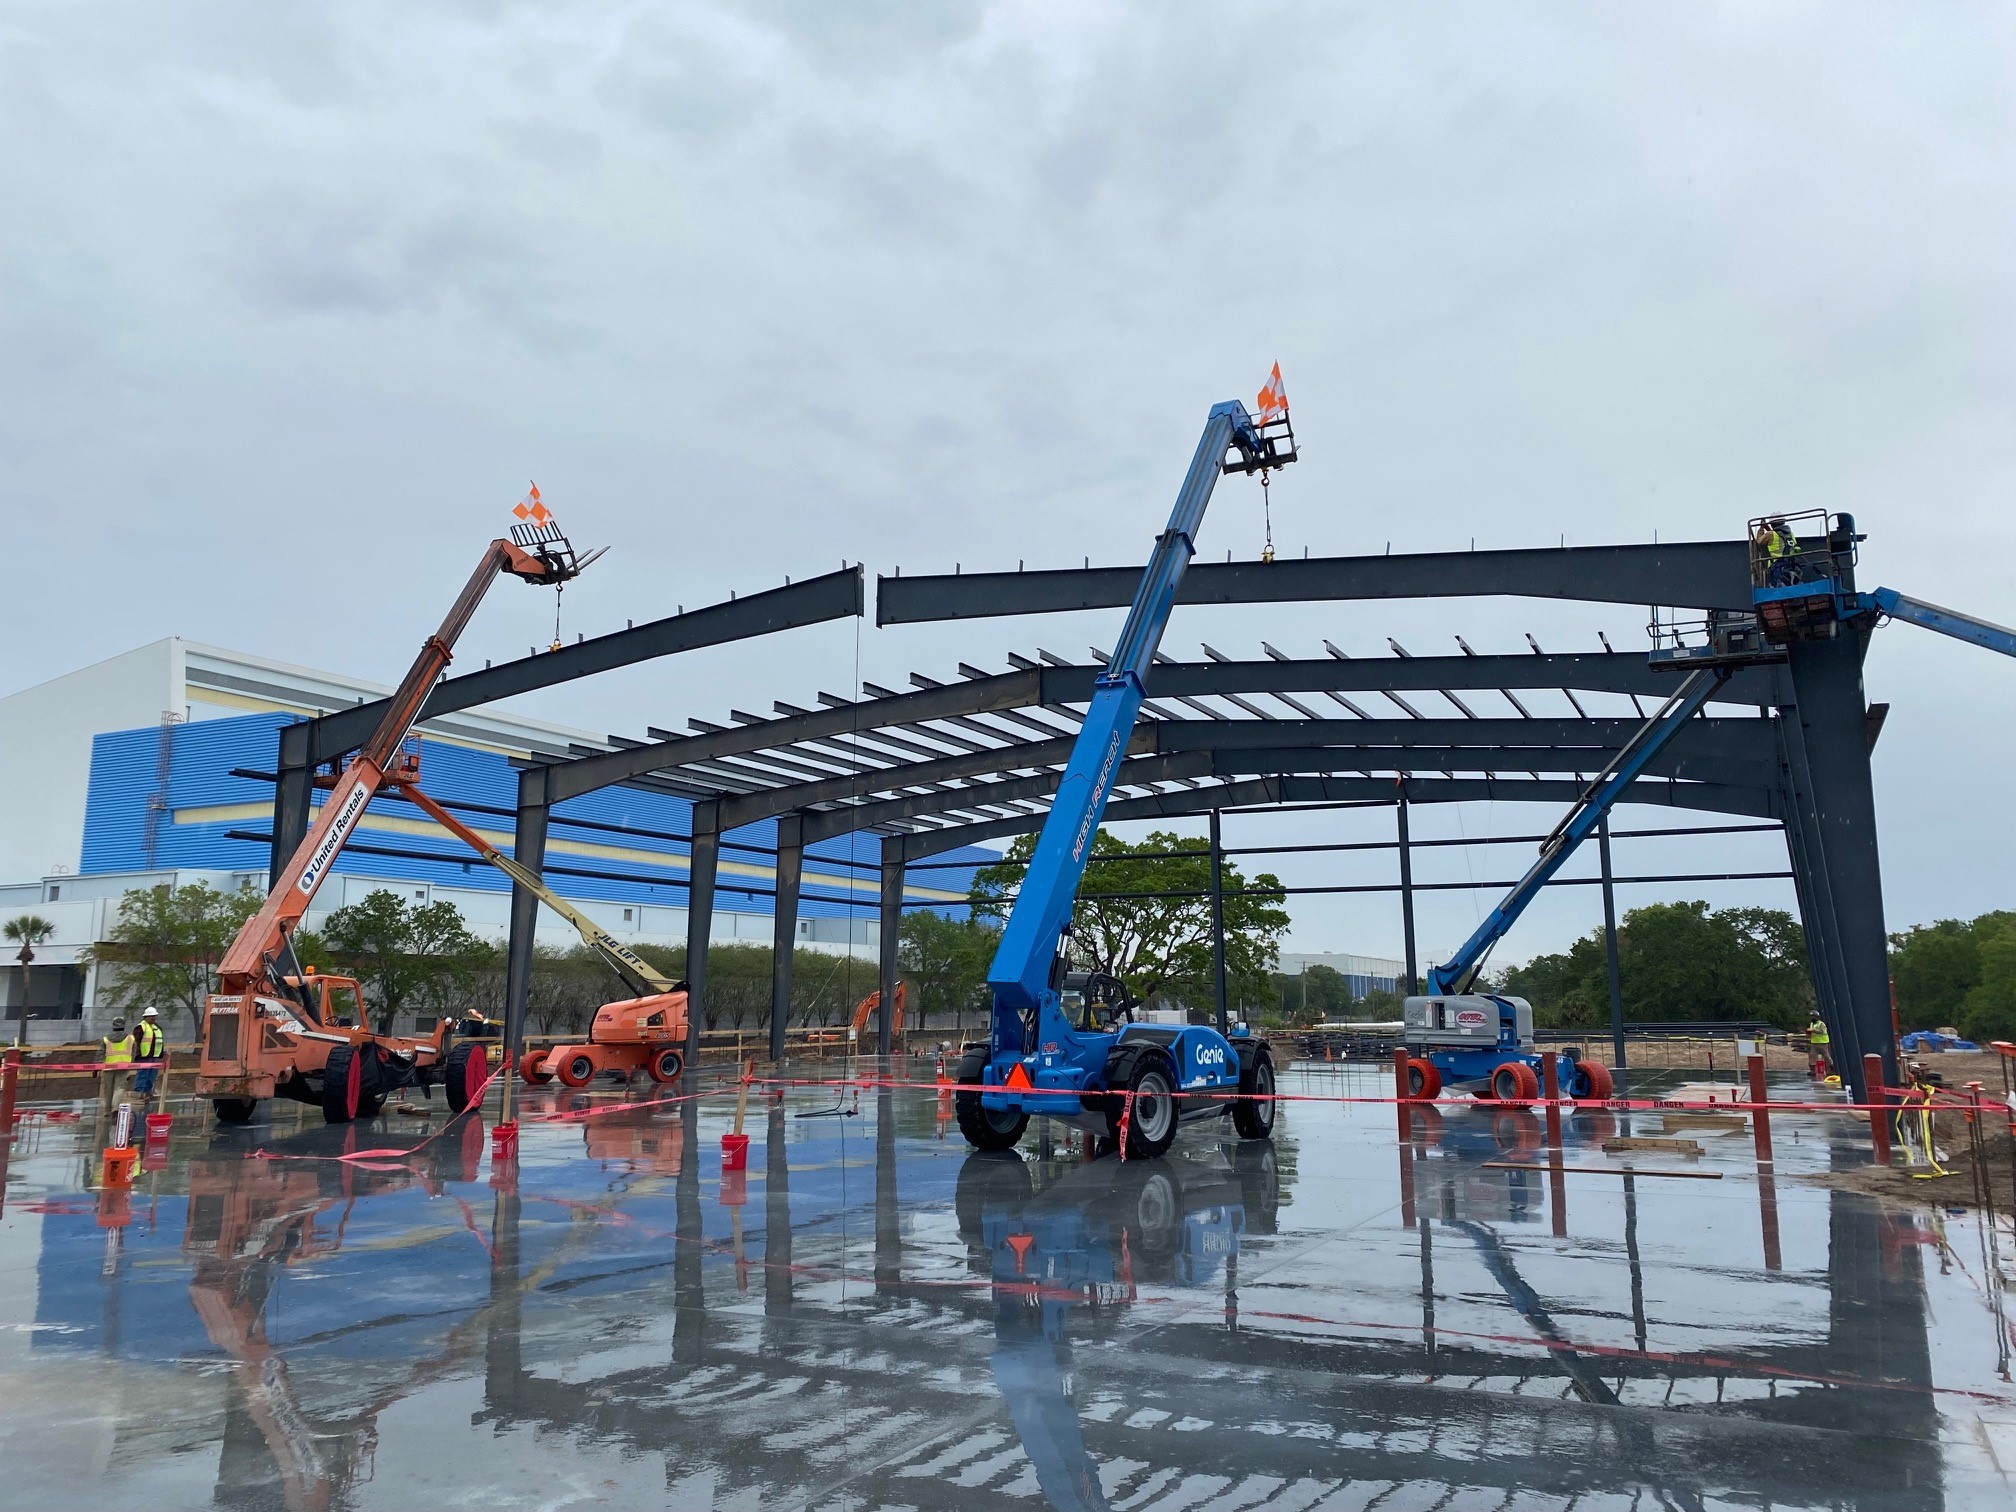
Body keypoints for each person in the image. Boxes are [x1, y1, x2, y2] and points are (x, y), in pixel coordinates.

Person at [98, 1016, 136, 1121]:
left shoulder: (106, 1038)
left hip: (108, 1066)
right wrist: (131, 1064)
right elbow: (134, 1052)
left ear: (113, 1026)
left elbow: (100, 1053)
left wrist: (95, 1067)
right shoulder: (130, 1038)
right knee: (120, 1087)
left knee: (108, 1089)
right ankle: (115, 1107)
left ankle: (107, 1111)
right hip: (124, 1066)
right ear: (124, 1026)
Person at [132, 1007, 165, 1102]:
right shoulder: (141, 1027)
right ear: (146, 1016)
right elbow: (136, 1042)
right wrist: (136, 1054)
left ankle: (147, 1093)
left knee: (151, 1076)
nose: (154, 1018)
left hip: (154, 1057)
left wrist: (161, 1054)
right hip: (143, 1056)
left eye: (154, 1016)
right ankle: (139, 1093)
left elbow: (159, 1042)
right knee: (143, 1075)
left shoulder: (156, 1028)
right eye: (152, 1016)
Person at [1806, 1011, 1831, 1080]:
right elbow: (1811, 1032)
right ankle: (1813, 1071)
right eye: (1811, 1017)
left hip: (1823, 1043)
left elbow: (1822, 1032)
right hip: (1814, 1043)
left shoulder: (1821, 1024)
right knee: (1812, 1057)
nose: (1812, 1018)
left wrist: (1813, 1030)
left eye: (1813, 1017)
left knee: (1826, 1056)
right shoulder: (1812, 1024)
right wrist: (1809, 1033)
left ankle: (1831, 1069)